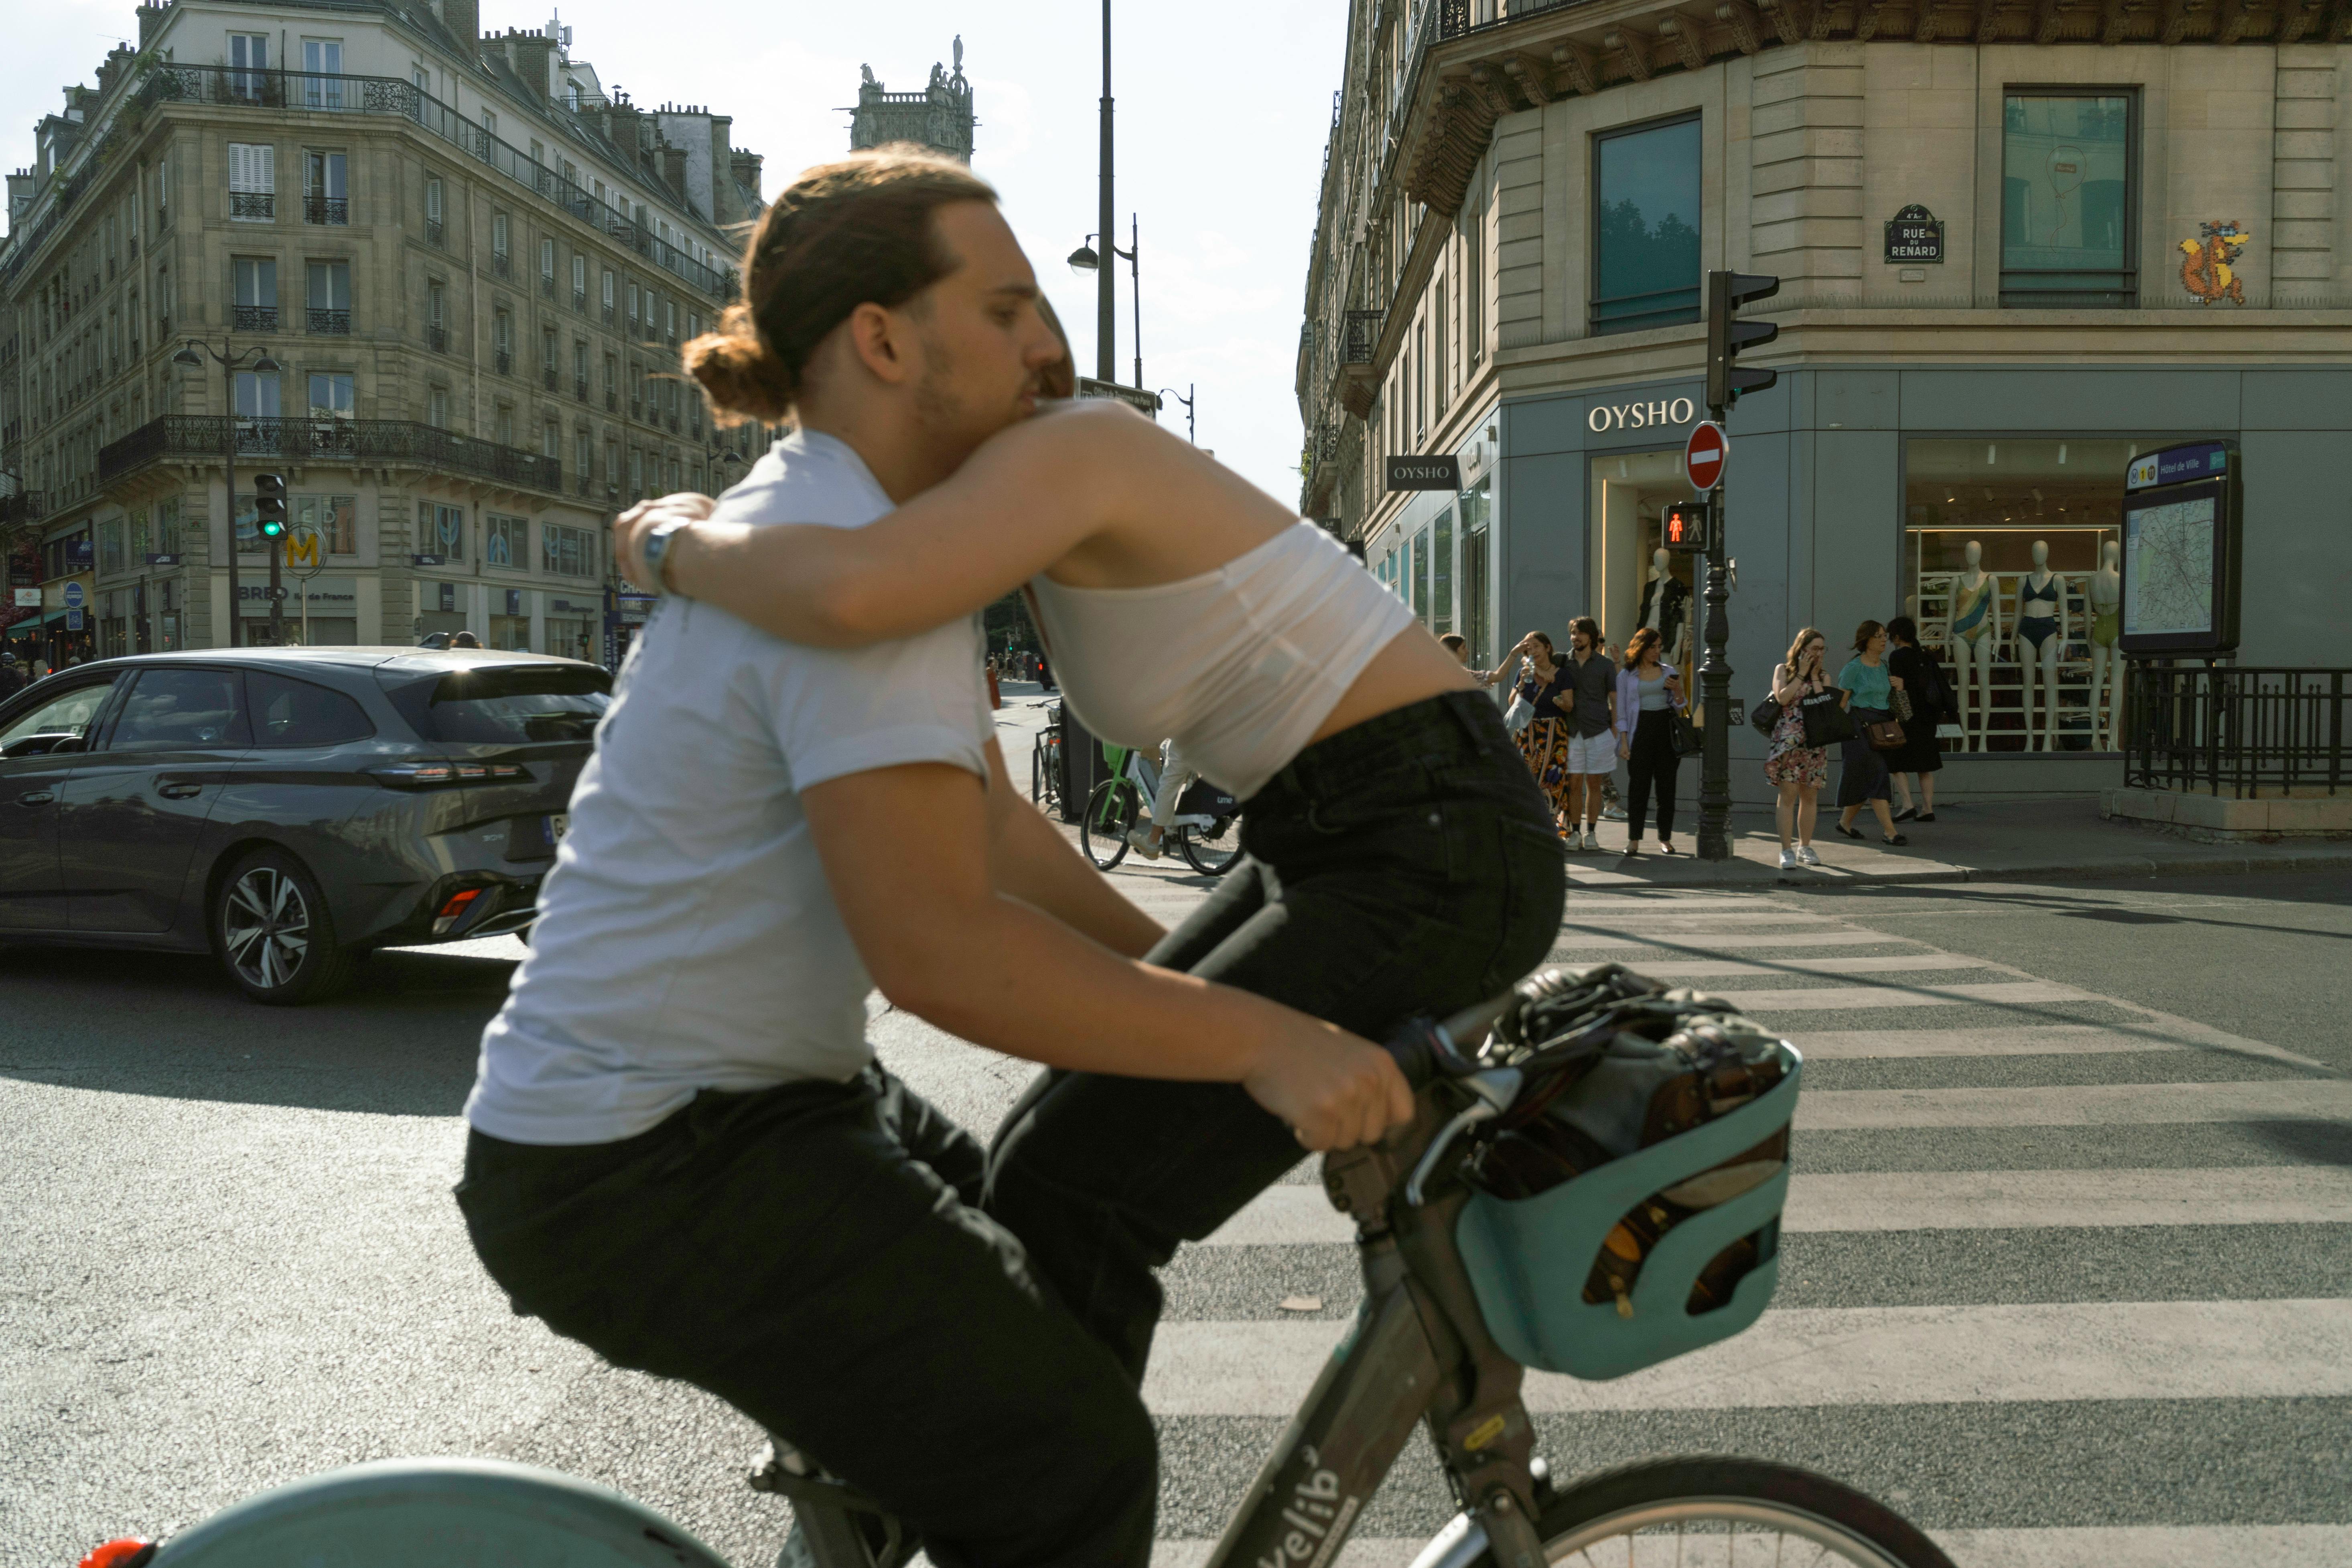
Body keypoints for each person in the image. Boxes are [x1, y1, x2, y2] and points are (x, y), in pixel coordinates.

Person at [487, 148, 1561, 1568]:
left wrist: (1215, 1002)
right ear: (883, 340)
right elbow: (942, 943)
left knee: (1038, 1213)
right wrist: (1257, 1031)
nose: (1045, 343)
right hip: (659, 1147)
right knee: (1070, 1460)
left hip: (706, 1111)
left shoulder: (850, 530)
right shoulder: (845, 550)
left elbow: (987, 826)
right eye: (1003, 309)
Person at [1834, 619, 1909, 847]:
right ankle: (1890, 832)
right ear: (1867, 640)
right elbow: (1841, 704)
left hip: (1882, 727)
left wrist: (1900, 687)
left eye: (1885, 635)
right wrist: (1834, 731)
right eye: (1879, 636)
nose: (1885, 640)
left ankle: (1845, 823)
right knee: (1878, 774)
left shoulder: (1884, 666)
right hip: (1860, 728)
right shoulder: (1853, 668)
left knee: (1864, 780)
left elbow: (1891, 701)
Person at [1613, 627, 1686, 855]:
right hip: (1640, 731)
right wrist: (1624, 742)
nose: (1657, 651)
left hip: (1665, 730)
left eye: (1659, 647)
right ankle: (1634, 840)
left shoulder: (1668, 671)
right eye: (1652, 647)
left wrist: (1678, 690)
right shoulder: (1626, 676)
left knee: (1667, 788)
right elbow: (1621, 712)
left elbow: (1680, 706)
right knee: (1638, 788)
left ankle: (1665, 838)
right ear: (1641, 648)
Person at [1766, 627, 1834, 870]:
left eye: (1822, 649)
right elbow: (1783, 698)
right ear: (1802, 650)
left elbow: (1825, 708)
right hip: (1789, 742)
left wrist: (1814, 677)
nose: (1819, 653)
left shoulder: (1824, 677)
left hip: (1814, 742)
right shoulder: (1783, 670)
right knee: (1788, 795)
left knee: (1810, 796)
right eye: (1815, 648)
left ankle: (1805, 846)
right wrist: (1802, 674)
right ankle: (1786, 849)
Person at [1502, 629, 1576, 839]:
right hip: (1528, 733)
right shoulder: (1523, 672)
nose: (1533, 651)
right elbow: (1512, 702)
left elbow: (1569, 705)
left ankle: (1549, 829)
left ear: (1548, 648)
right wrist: (1521, 683)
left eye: (1537, 647)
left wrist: (1559, 702)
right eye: (1529, 648)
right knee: (1526, 781)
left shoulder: (1562, 675)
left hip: (1554, 733)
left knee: (1551, 780)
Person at [1561, 616, 1616, 853]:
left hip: (1598, 731)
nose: (1576, 637)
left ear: (1592, 637)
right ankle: (1575, 832)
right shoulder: (1563, 662)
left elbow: (1614, 699)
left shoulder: (1605, 665)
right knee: (1573, 784)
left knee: (1594, 783)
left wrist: (1615, 730)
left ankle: (1591, 832)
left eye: (1581, 633)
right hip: (1571, 731)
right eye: (1573, 633)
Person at [1884, 615, 1944, 823]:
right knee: (1924, 765)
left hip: (1908, 716)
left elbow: (1898, 687)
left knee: (1895, 762)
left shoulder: (1897, 657)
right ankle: (1928, 809)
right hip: (1928, 717)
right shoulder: (1925, 655)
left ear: (1897, 637)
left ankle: (1908, 804)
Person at [1123, 736, 1197, 861]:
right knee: (1166, 745)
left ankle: (1153, 841)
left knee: (1168, 786)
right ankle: (1191, 777)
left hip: (1187, 740)